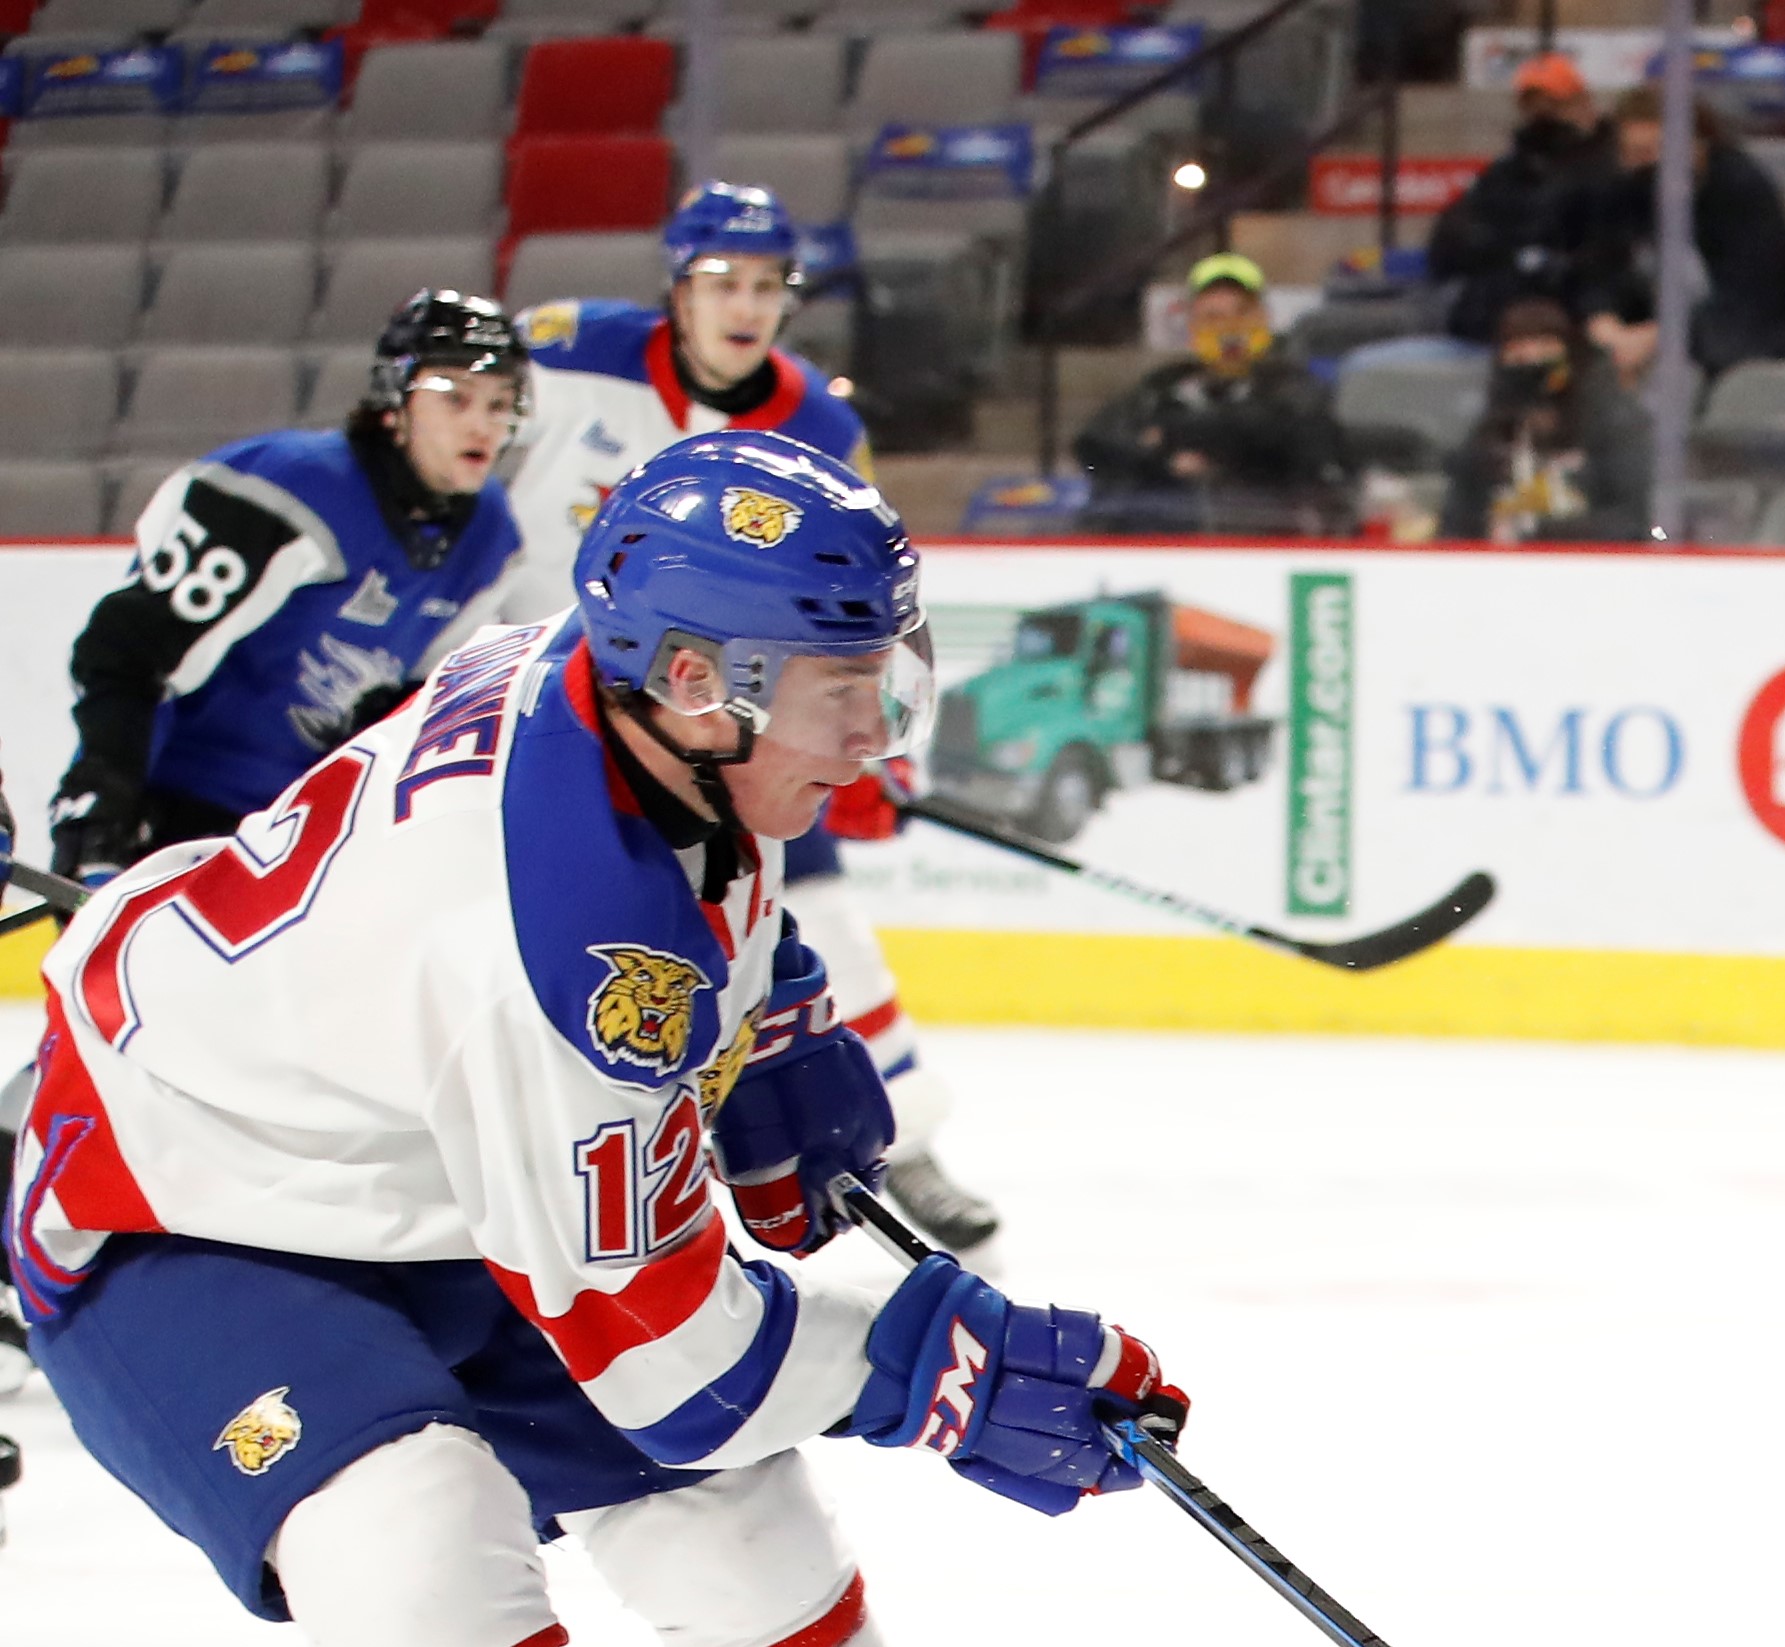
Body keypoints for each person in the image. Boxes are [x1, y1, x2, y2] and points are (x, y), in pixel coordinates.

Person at [8, 434, 1175, 1647]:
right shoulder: (566, 944)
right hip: (178, 1205)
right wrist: (942, 1359)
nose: (882, 735)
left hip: (413, 1151)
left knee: (737, 1524)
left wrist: (772, 1017)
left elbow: (689, 933)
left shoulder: (622, 697)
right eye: (848, 688)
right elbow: (676, 1357)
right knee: (407, 1542)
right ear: (704, 689)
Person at [481, 183, 1007, 1256]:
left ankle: (907, 1144)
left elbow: (857, 595)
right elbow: (462, 455)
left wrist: (862, 723)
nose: (746, 304)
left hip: (732, 717)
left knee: (815, 919)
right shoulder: (569, 353)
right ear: (678, 285)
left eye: (767, 285)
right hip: (536, 701)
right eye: (723, 281)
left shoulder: (821, 422)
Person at [49, 291, 529, 887]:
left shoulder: (491, 536)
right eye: (455, 398)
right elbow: (125, 654)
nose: (482, 424)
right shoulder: (284, 490)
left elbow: (407, 711)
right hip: (166, 813)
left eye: (501, 404)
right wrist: (103, 801)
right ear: (393, 400)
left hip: (295, 835)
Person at [1075, 255, 1358, 539]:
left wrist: (1170, 435)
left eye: (1242, 313)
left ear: (1264, 317)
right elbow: (1094, 445)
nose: (1229, 329)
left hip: (1264, 532)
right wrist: (1163, 460)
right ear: (1192, 327)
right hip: (1172, 531)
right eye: (1213, 318)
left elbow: (1275, 431)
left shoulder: (1297, 385)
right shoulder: (1164, 384)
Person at [1576, 86, 1785, 386]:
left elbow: (1751, 298)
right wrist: (1605, 324)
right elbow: (1598, 271)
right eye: (1638, 154)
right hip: (1644, 337)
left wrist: (1656, 337)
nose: (1653, 165)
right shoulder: (1620, 192)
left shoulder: (1740, 188)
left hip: (1749, 337)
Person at [1429, 51, 1613, 345]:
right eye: (1533, 108)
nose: (1544, 119)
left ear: (1584, 104)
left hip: (1584, 308)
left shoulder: (1610, 167)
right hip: (1506, 306)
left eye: (1555, 106)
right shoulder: (1508, 170)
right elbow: (1454, 238)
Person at [1445, 296, 1654, 542]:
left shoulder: (1611, 420)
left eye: (1544, 343)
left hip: (1591, 563)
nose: (1530, 355)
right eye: (1517, 346)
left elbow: (1633, 519)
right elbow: (1457, 521)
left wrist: (1536, 533)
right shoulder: (1489, 431)